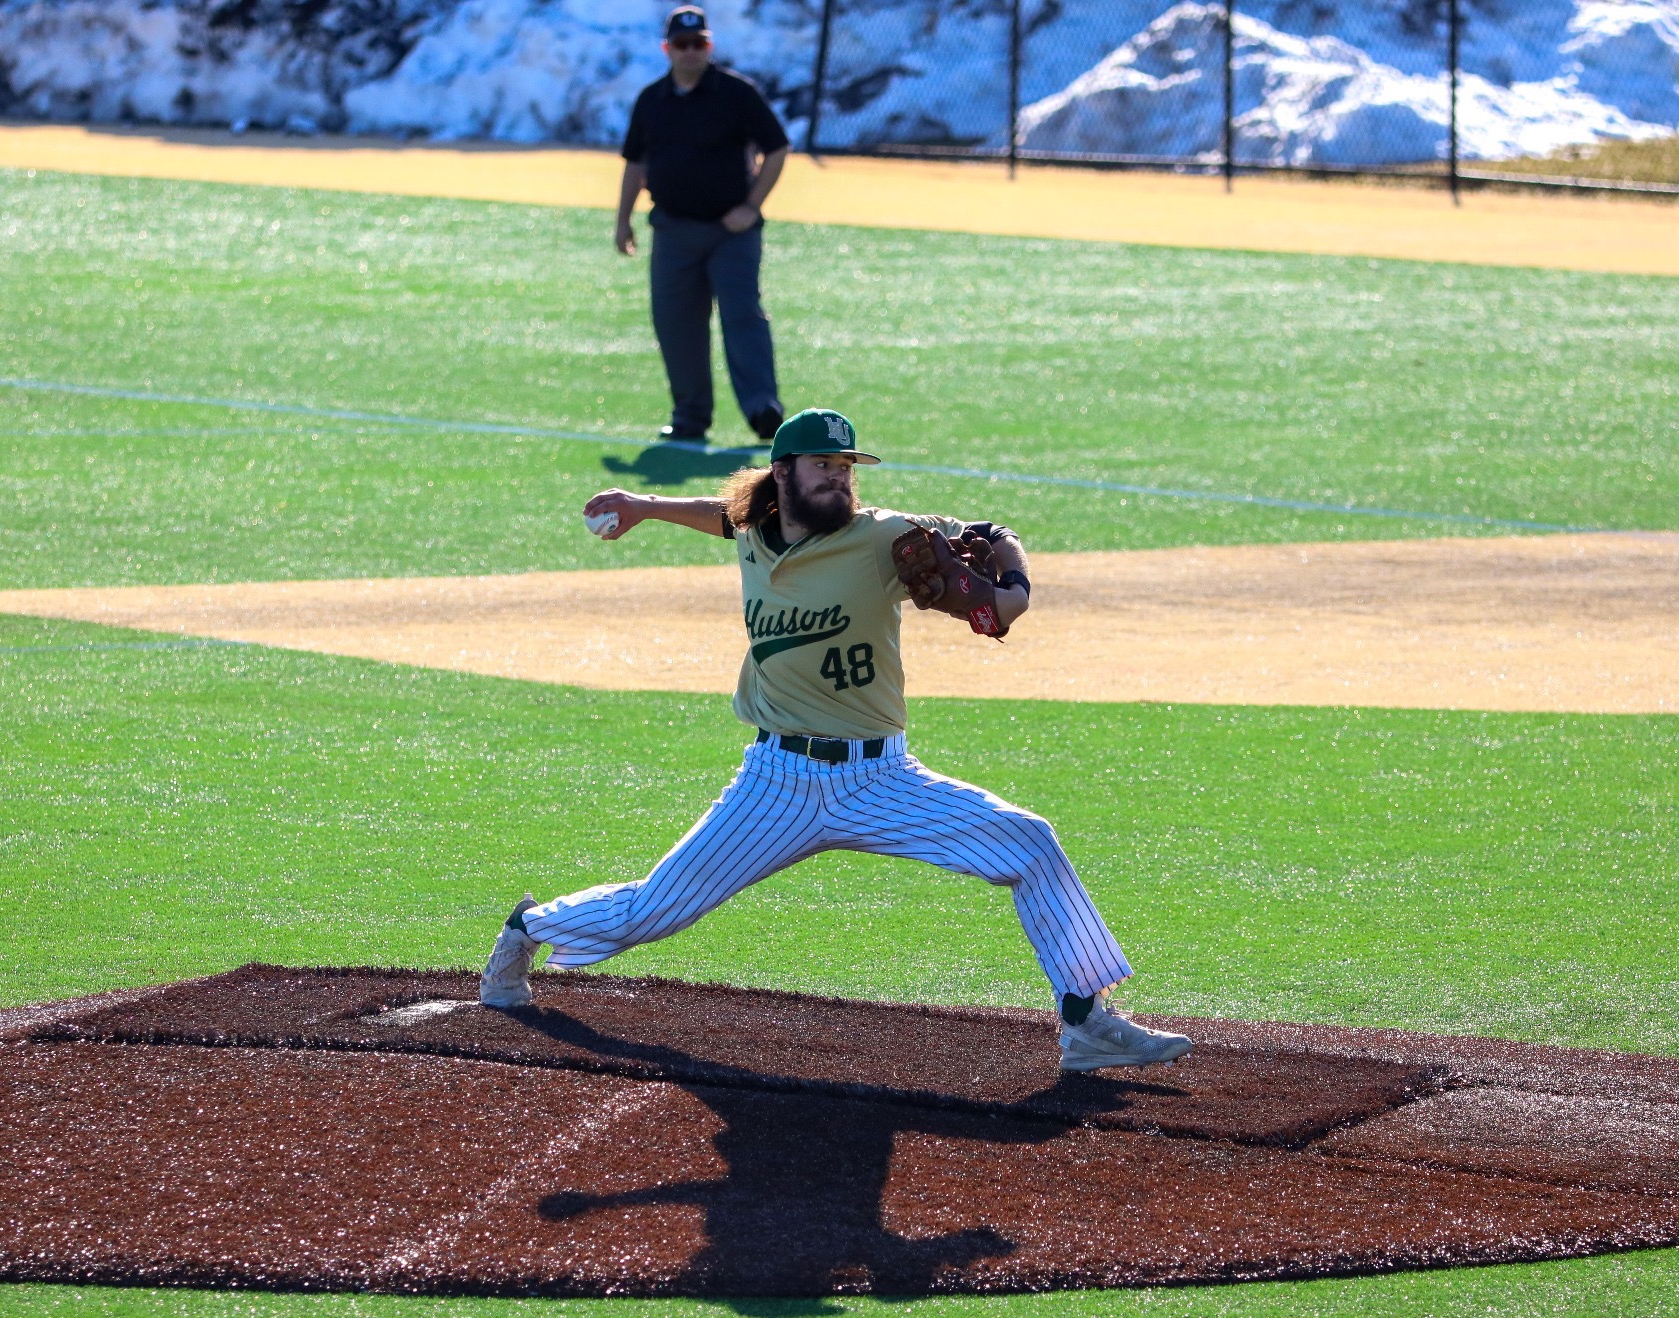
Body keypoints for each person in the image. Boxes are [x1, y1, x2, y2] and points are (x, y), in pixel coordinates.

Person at [480, 408, 1192, 1072]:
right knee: (652, 909)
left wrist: (1010, 570)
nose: (839, 477)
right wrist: (642, 506)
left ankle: (1086, 1020)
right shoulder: (754, 529)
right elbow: (721, 515)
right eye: (823, 465)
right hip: (776, 783)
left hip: (881, 780)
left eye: (847, 467)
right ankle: (528, 927)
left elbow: (991, 545)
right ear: (783, 473)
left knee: (1030, 842)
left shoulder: (885, 536)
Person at [616, 5, 790, 446]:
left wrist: (751, 206)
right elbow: (635, 162)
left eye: (699, 43)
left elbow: (777, 148)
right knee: (676, 323)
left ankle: (763, 409)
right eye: (682, 44)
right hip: (673, 230)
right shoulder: (652, 100)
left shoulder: (736, 93)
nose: (691, 51)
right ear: (667, 49)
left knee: (742, 315)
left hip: (732, 232)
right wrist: (622, 221)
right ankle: (690, 415)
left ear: (709, 46)